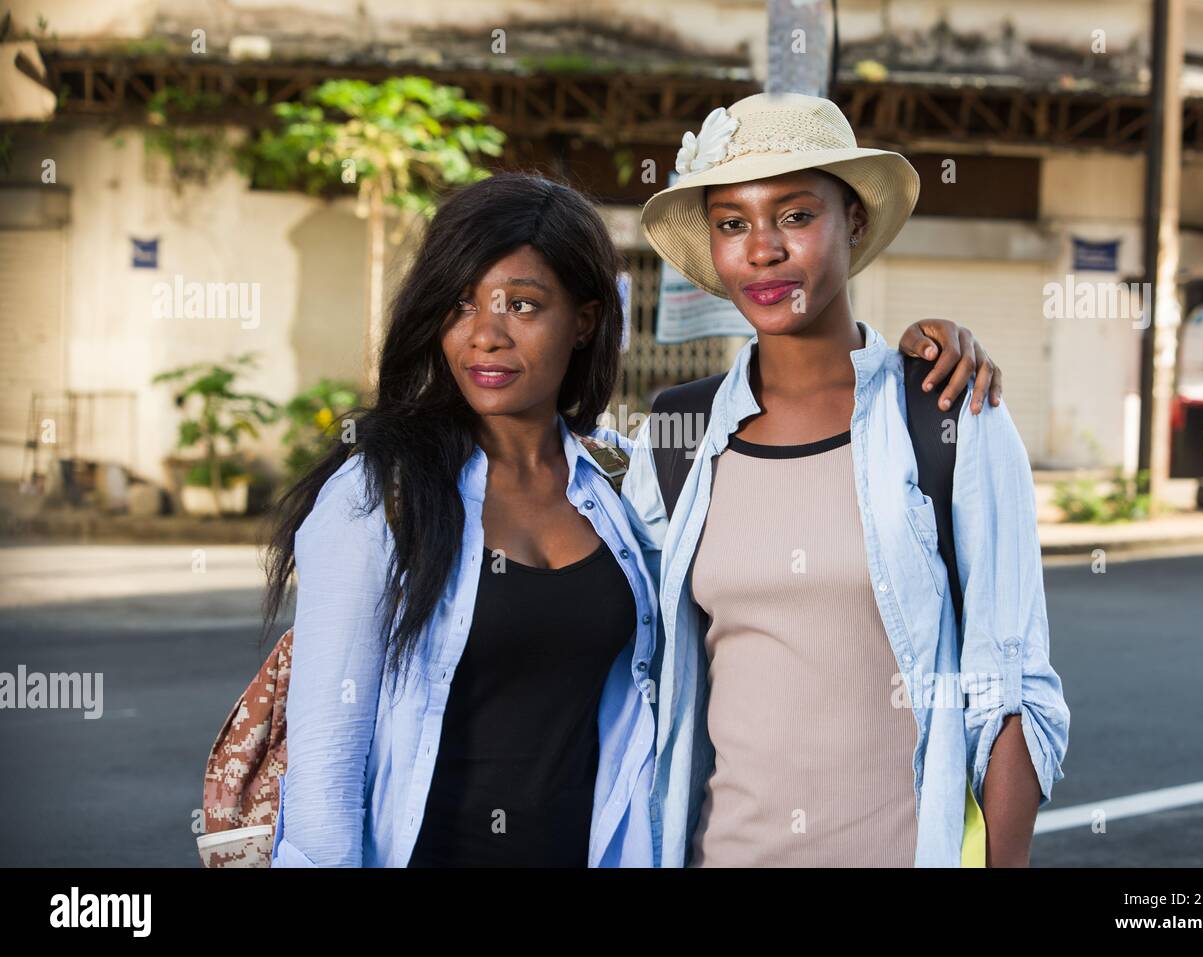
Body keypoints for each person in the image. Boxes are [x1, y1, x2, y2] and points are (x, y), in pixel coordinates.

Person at [259, 168, 1004, 868]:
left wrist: (920, 351)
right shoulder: (380, 494)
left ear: (584, 320)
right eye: (459, 303)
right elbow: (325, 764)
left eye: (521, 304)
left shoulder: (623, 479)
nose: (486, 334)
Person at [625, 92, 1070, 867]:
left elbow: (1011, 693)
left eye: (795, 215)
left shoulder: (949, 412)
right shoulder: (677, 433)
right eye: (732, 223)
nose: (761, 249)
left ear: (855, 221)